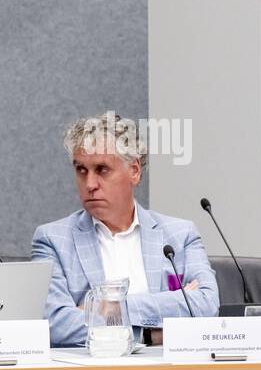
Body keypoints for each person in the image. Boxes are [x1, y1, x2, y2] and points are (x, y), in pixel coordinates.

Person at [31, 111, 219, 347]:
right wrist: (151, 332)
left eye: (102, 170)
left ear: (134, 171)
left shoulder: (180, 235)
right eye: (81, 170)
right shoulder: (52, 240)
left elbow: (205, 305)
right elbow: (55, 325)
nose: (90, 184)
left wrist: (109, 308)